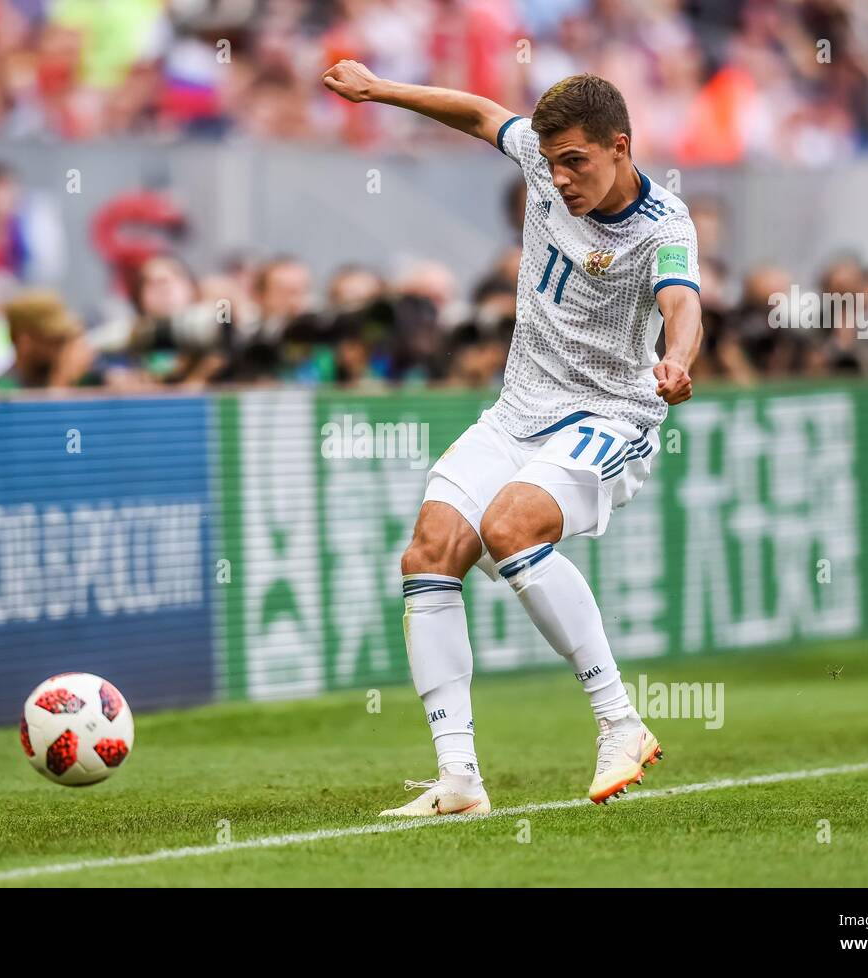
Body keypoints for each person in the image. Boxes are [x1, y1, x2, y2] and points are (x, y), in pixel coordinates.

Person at [323, 62, 703, 815]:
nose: (559, 177)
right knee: (429, 553)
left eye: (577, 162)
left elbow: (681, 301)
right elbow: (474, 109)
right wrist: (381, 90)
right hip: (518, 410)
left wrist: (677, 360)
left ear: (620, 148)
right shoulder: (537, 154)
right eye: (552, 160)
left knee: (509, 528)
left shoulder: (666, 225)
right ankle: (459, 778)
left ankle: (620, 722)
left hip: (610, 413)